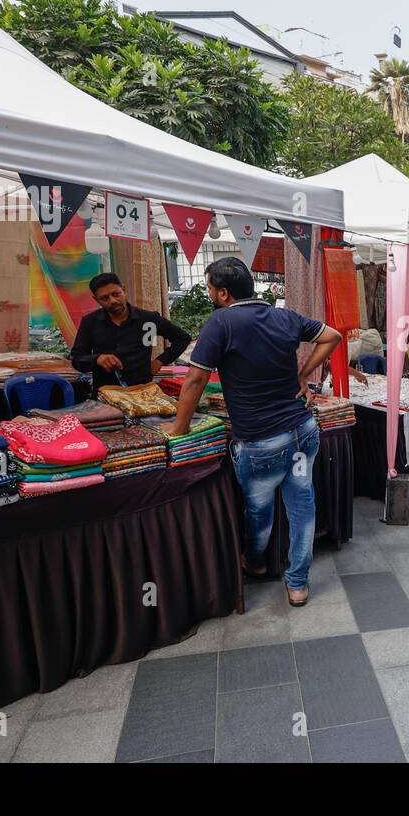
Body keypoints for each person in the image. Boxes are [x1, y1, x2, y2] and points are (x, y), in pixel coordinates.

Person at [167, 257, 341, 607]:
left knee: (259, 512)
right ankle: (297, 584)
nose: (210, 293)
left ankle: (256, 562)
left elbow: (196, 379)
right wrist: (302, 375)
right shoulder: (285, 316)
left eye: (210, 288)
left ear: (224, 293)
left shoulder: (222, 322)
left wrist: (179, 428)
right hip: (302, 431)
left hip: (261, 442)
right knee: (302, 504)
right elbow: (332, 337)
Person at [70, 272, 192, 390]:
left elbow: (182, 338)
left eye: (116, 294)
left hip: (142, 392)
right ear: (96, 300)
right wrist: (97, 359)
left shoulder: (148, 320)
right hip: (106, 393)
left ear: (123, 290)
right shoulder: (90, 322)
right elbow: (76, 359)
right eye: (104, 298)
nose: (112, 301)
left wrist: (160, 361)